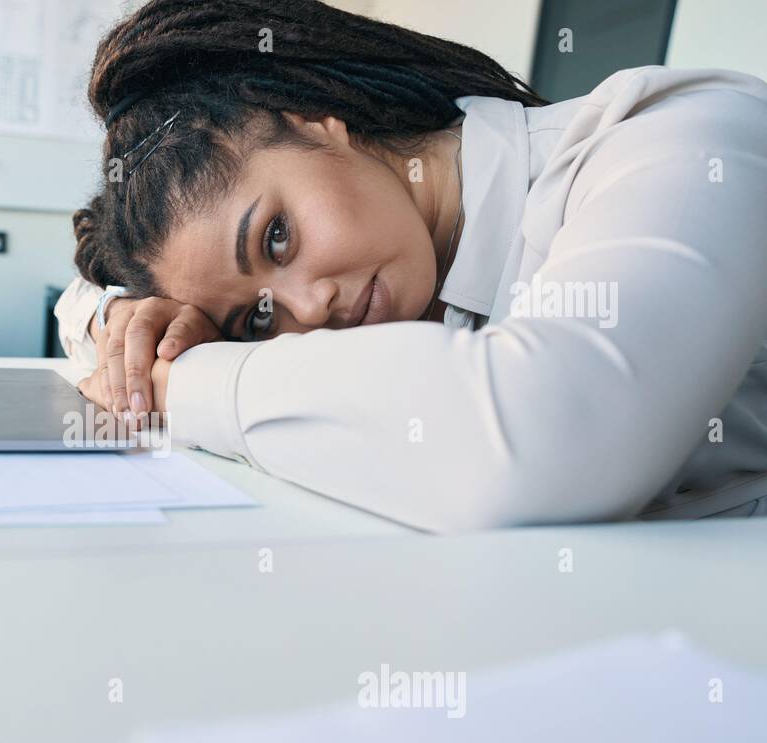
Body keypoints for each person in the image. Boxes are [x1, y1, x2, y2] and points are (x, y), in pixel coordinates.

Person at [54, 0, 767, 532]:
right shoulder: (407, 282)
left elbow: (546, 436)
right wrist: (124, 324)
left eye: (276, 238)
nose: (307, 309)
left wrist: (179, 387)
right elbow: (79, 306)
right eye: (253, 317)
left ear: (316, 118)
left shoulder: (686, 137)